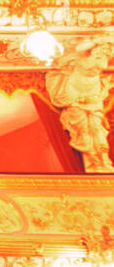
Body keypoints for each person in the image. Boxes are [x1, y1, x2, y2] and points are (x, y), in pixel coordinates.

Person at [45, 36, 114, 172]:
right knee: (84, 133)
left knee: (98, 133)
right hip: (75, 98)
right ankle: (93, 163)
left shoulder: (104, 58)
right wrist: (95, 41)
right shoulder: (82, 55)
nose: (103, 52)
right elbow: (80, 48)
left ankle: (103, 163)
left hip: (93, 99)